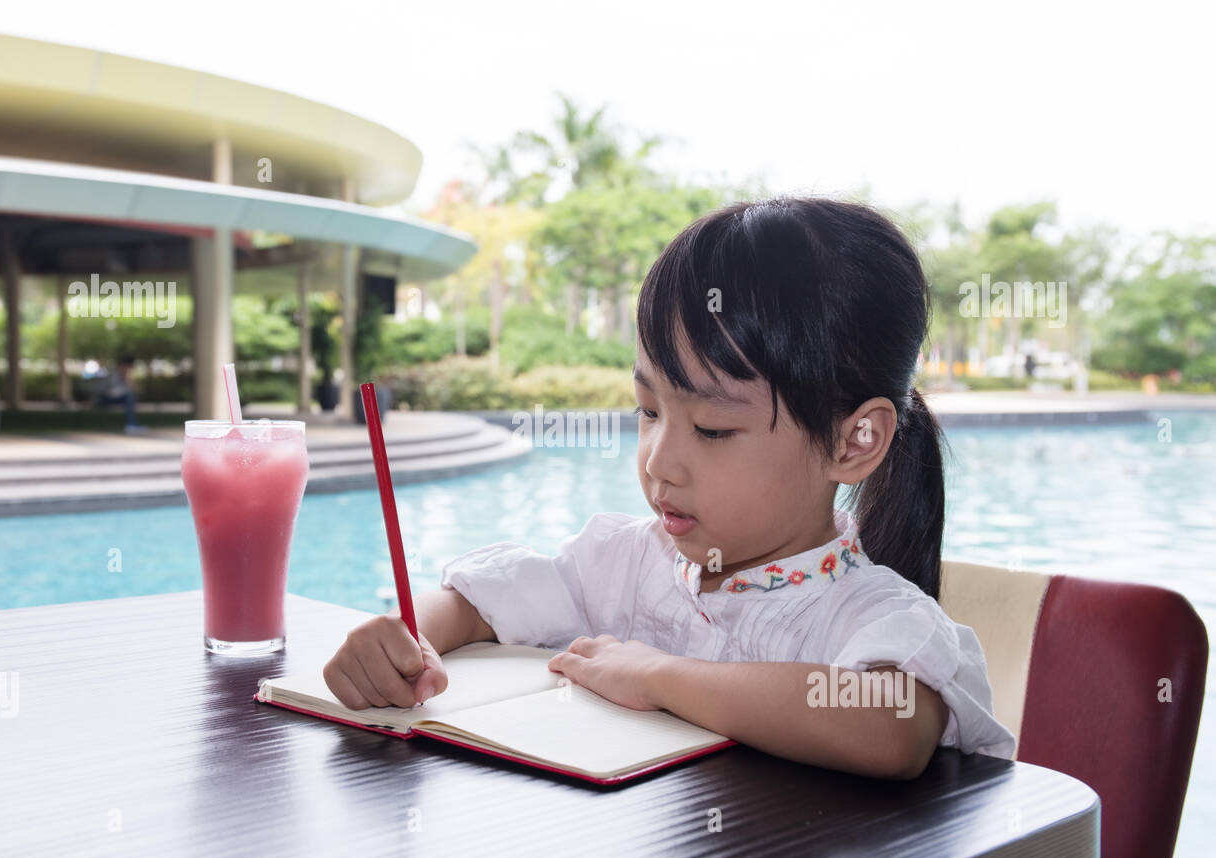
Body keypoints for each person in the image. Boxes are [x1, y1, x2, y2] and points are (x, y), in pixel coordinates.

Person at [322, 196, 1017, 779]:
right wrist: (408, 640)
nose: (659, 462)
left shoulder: (871, 614)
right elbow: (485, 600)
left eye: (712, 428)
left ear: (853, 440)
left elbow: (888, 724)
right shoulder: (627, 563)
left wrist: (657, 675)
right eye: (649, 411)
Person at [95, 355, 146, 434]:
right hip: (103, 399)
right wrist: (127, 388)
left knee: (130, 396)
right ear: (124, 365)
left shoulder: (124, 375)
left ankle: (132, 424)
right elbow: (111, 392)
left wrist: (128, 381)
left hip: (113, 398)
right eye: (130, 367)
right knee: (129, 396)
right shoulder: (114, 374)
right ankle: (131, 425)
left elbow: (137, 389)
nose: (130, 369)